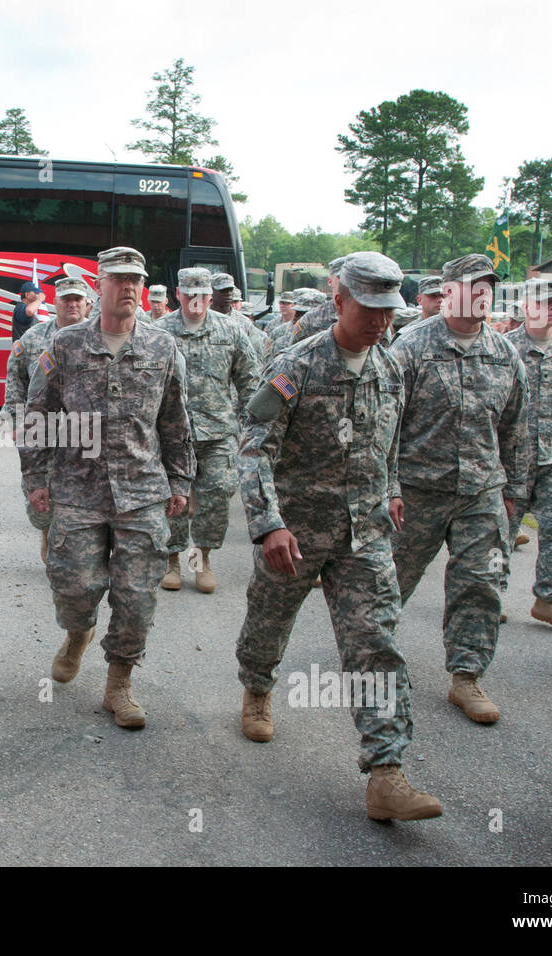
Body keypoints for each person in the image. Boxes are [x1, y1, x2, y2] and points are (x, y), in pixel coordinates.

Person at [236, 252, 441, 820]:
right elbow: (254, 448)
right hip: (295, 531)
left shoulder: (390, 366)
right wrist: (268, 523)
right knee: (268, 620)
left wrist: (393, 484)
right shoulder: (295, 365)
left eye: (389, 310)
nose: (380, 321)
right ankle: (256, 685)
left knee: (375, 642)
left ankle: (386, 771)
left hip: (365, 534)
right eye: (369, 308)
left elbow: (390, 439)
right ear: (340, 299)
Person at [20, 247, 192, 730]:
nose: (130, 288)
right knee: (74, 586)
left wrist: (180, 479)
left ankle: (119, 684)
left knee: (137, 596)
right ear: (100, 285)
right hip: (77, 488)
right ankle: (78, 632)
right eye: (119, 279)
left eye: (137, 279)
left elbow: (176, 420)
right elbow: (36, 415)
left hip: (142, 491)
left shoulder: (161, 347)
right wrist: (35, 479)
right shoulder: (66, 344)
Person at [389, 253, 529, 724]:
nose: (482, 293)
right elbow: (383, 425)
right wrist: (385, 488)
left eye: (488, 285)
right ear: (448, 292)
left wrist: (514, 490)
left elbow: (515, 427)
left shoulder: (505, 351)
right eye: (472, 286)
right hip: (416, 489)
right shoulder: (410, 348)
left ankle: (467, 675)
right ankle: (372, 657)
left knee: (480, 584)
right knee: (390, 581)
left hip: (481, 491)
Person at [155, 268, 260, 593]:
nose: (196, 302)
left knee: (217, 496)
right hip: (172, 436)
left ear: (210, 297)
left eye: (202, 296)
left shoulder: (231, 330)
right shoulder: (159, 332)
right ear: (178, 295)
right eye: (190, 295)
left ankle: (200, 559)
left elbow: (249, 381)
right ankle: (172, 559)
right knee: (171, 500)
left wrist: (250, 428)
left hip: (218, 433)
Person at [500, 278, 552, 635]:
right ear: (524, 307)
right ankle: (489, 594)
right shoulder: (506, 349)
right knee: (500, 532)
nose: (551, 309)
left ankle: (548, 597)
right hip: (512, 461)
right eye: (542, 302)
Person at [0, 276, 91, 561]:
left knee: (88, 493)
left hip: (87, 431)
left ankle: (80, 548)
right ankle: (47, 534)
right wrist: (16, 422)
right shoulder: (34, 338)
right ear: (55, 303)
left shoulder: (99, 336)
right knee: (42, 496)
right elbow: (16, 380)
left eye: (78, 299)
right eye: (66, 299)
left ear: (87, 304)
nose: (72, 304)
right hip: (44, 430)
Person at [211, 272, 272, 367]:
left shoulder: (244, 323)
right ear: (211, 292)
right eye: (222, 290)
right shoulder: (200, 318)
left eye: (230, 290)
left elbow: (257, 357)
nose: (228, 294)